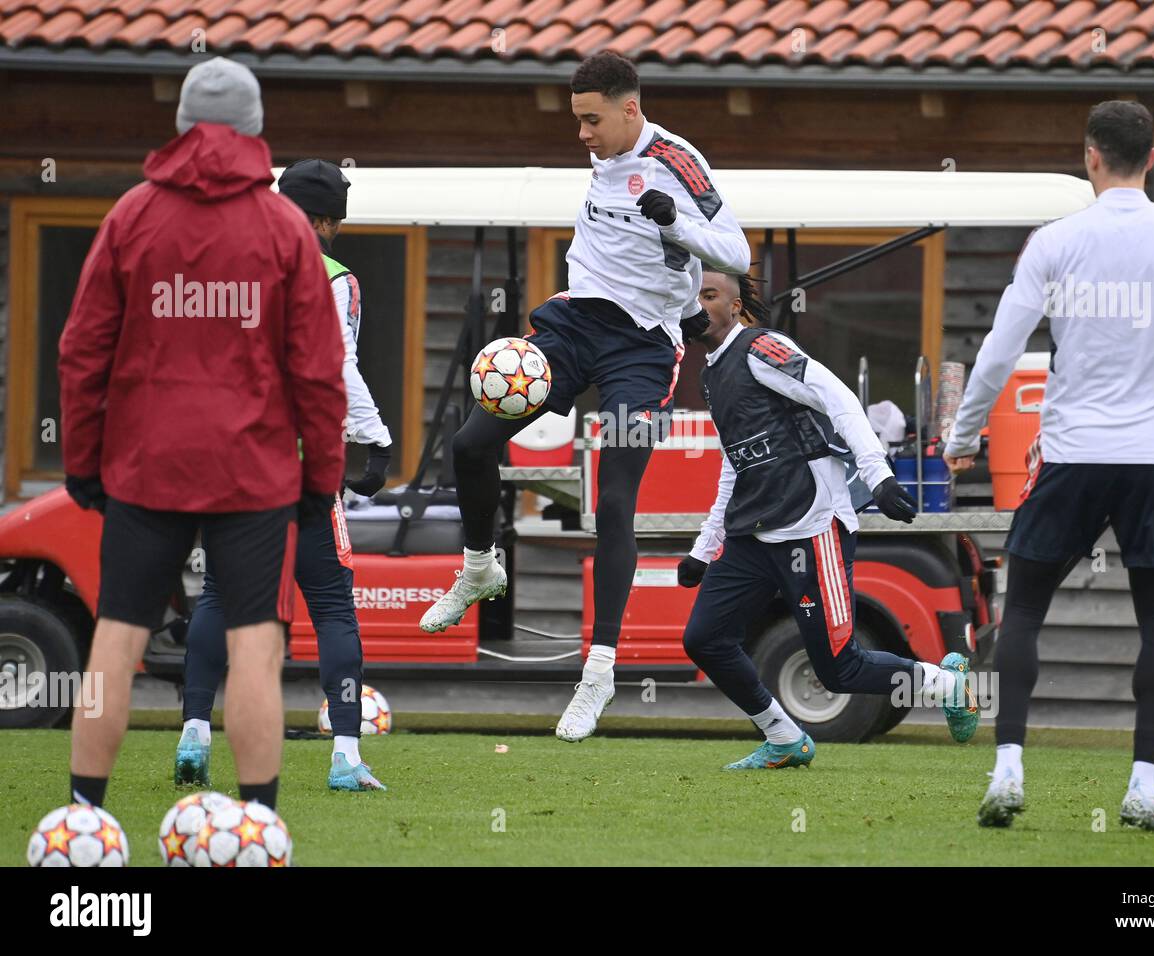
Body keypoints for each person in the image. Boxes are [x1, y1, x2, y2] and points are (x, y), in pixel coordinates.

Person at [943, 100, 1154, 832]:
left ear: (1090, 157)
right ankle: (1143, 785)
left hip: (1070, 455)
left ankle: (1007, 765)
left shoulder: (1054, 241)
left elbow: (1002, 348)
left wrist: (964, 434)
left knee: (1026, 608)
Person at [419, 51, 751, 744]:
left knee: (614, 501)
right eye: (576, 120)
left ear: (630, 109)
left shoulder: (679, 162)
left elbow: (737, 254)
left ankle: (597, 673)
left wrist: (677, 226)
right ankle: (480, 569)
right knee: (469, 444)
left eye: (591, 120)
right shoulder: (601, 156)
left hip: (642, 350)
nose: (582, 134)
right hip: (572, 325)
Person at [58, 57, 347, 813]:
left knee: (115, 640)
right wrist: (321, 479)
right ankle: (259, 824)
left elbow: (82, 348)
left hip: (146, 467)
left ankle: (83, 820)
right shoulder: (286, 227)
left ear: (183, 124)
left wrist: (83, 462)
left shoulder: (131, 215)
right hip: (253, 472)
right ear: (256, 130)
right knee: (256, 642)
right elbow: (319, 371)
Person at [678, 270, 979, 769]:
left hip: (812, 526)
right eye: (692, 296)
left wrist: (877, 473)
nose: (699, 304)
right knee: (704, 640)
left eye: (710, 295)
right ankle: (783, 737)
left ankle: (948, 684)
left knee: (840, 670)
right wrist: (704, 546)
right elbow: (737, 460)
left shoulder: (761, 346)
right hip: (754, 534)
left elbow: (836, 396)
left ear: (735, 307)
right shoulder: (712, 372)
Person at [175, 159, 393, 793]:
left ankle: (193, 731)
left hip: (231, 459)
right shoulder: (334, 277)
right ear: (326, 221)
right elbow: (338, 367)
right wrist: (375, 440)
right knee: (330, 607)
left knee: (218, 594)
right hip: (301, 467)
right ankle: (347, 757)